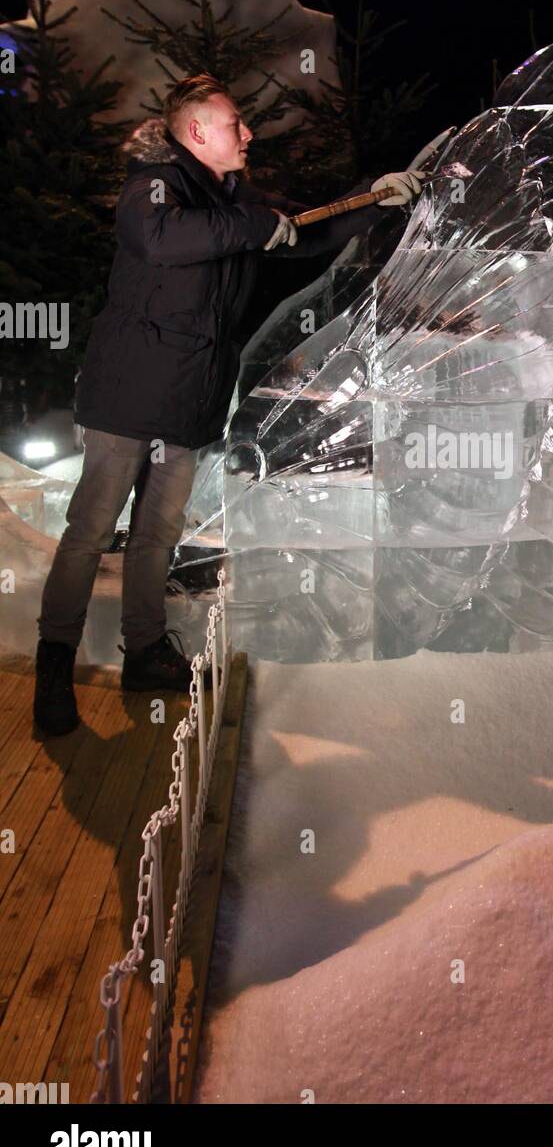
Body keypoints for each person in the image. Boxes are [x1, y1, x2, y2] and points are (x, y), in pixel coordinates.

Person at [33, 73, 422, 735]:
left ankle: (146, 651)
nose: (248, 133)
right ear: (195, 133)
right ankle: (52, 670)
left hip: (190, 394)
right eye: (234, 123)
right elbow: (164, 240)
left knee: (159, 532)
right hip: (128, 393)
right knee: (91, 532)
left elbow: (305, 232)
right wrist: (252, 225)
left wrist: (375, 200)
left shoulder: (235, 196)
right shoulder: (154, 184)